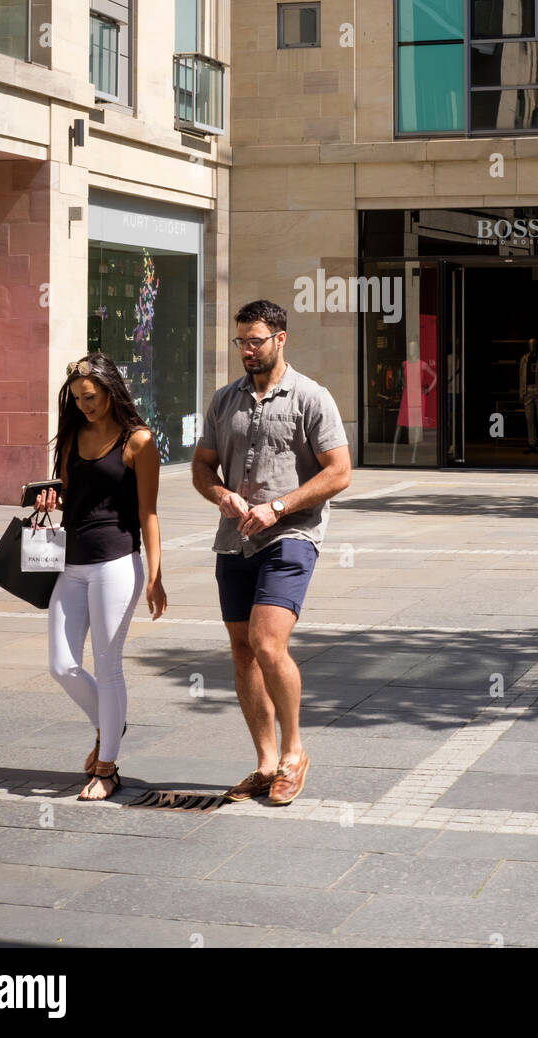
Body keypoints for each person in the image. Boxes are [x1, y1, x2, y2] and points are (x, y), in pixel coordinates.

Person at [192, 300, 351, 806]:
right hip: (234, 539)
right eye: (240, 341)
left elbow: (339, 472)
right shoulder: (224, 401)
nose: (246, 350)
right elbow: (202, 467)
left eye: (255, 340)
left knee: (266, 641)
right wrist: (220, 494)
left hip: (292, 536)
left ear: (280, 339)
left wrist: (278, 507)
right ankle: (264, 763)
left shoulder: (311, 397)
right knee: (241, 650)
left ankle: (294, 753)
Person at [34, 353, 167, 801]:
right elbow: (70, 492)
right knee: (62, 665)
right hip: (69, 564)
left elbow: (148, 513)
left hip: (115, 564)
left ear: (111, 391)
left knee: (107, 668)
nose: (84, 406)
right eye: (77, 399)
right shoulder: (72, 435)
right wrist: (52, 499)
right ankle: (111, 723)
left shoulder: (139, 442)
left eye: (89, 398)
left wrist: (155, 574)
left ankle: (107, 767)